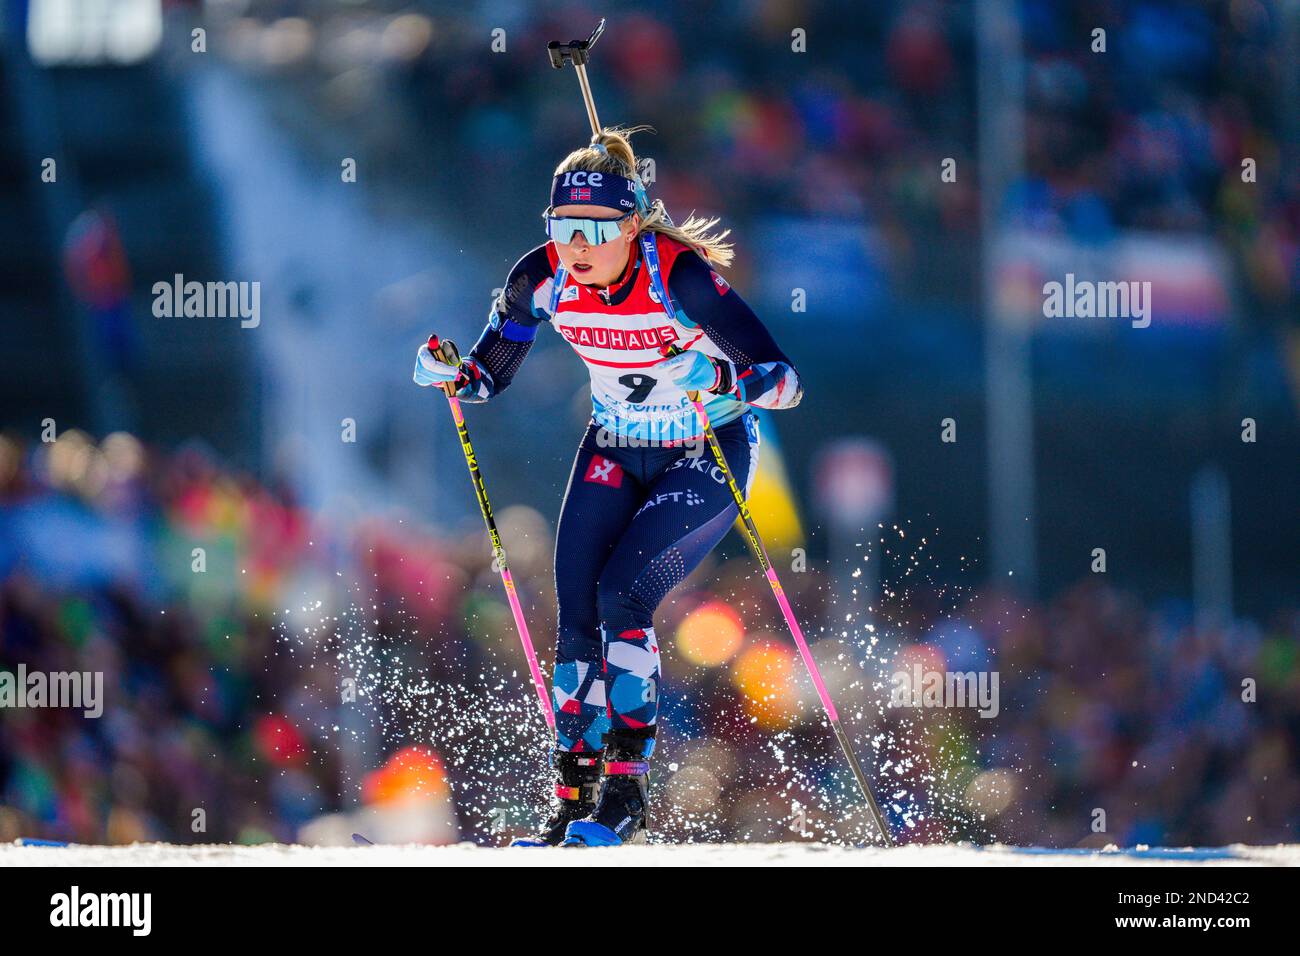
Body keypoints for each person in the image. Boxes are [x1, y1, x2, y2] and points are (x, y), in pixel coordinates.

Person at [413, 127, 803, 846]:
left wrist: (718, 376)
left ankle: (625, 800)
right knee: (576, 615)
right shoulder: (541, 276)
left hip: (703, 450)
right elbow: (491, 371)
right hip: (615, 448)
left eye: (595, 229)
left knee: (623, 596)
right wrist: (452, 376)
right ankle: (571, 803)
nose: (578, 246)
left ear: (630, 226)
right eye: (564, 228)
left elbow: (784, 382)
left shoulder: (676, 274)